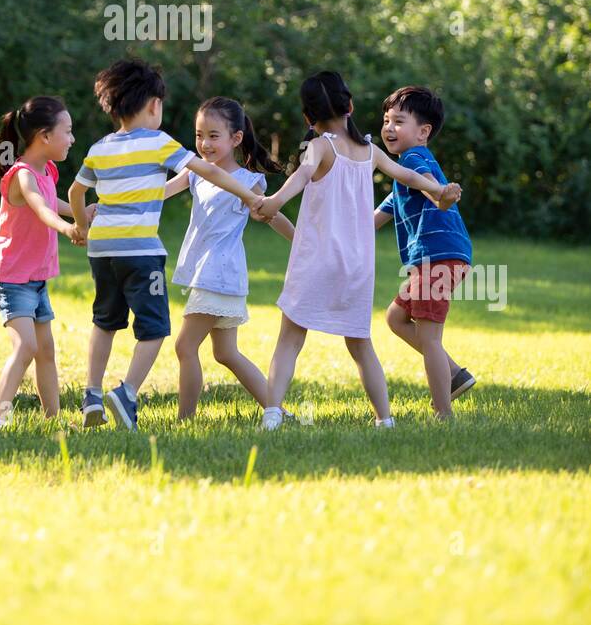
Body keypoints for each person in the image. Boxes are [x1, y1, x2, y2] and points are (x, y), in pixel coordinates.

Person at [254, 71, 461, 430]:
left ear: (308, 118)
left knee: (289, 338)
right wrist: (439, 190)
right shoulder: (370, 152)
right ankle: (385, 419)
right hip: (356, 266)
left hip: (318, 260)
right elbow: (408, 177)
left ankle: (272, 413)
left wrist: (273, 202)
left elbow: (299, 180)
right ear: (350, 106)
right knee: (361, 345)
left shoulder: (320, 147)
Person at [68, 59, 265, 430]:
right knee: (155, 328)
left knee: (105, 321)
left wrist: (80, 226)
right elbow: (205, 170)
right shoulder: (159, 142)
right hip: (141, 252)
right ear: (154, 105)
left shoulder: (100, 147)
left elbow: (76, 190)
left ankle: (91, 391)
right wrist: (249, 195)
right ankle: (126, 393)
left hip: (102, 251)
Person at [166, 96, 294, 419]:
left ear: (235, 138)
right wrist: (121, 199)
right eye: (198, 135)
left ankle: (185, 420)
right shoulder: (195, 172)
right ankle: (277, 409)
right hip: (208, 272)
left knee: (184, 346)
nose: (204, 143)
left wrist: (301, 240)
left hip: (219, 271)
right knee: (226, 352)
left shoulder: (247, 182)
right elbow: (161, 192)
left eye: (213, 135)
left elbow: (271, 214)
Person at [0, 97, 87, 431]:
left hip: (36, 277)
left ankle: (53, 420)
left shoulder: (47, 170)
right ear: (44, 135)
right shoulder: (22, 175)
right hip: (12, 277)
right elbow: (42, 210)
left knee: (45, 350)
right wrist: (68, 227)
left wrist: (81, 212)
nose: (72, 139)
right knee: (27, 346)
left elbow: (51, 201)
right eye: (67, 132)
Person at [375, 85, 475, 418]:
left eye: (398, 121)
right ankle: (455, 376)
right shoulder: (403, 174)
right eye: (386, 120)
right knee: (396, 317)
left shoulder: (416, 159)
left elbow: (433, 191)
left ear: (423, 132)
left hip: (438, 257)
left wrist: (443, 195)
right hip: (437, 258)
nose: (389, 128)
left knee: (430, 336)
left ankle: (443, 412)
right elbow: (374, 219)